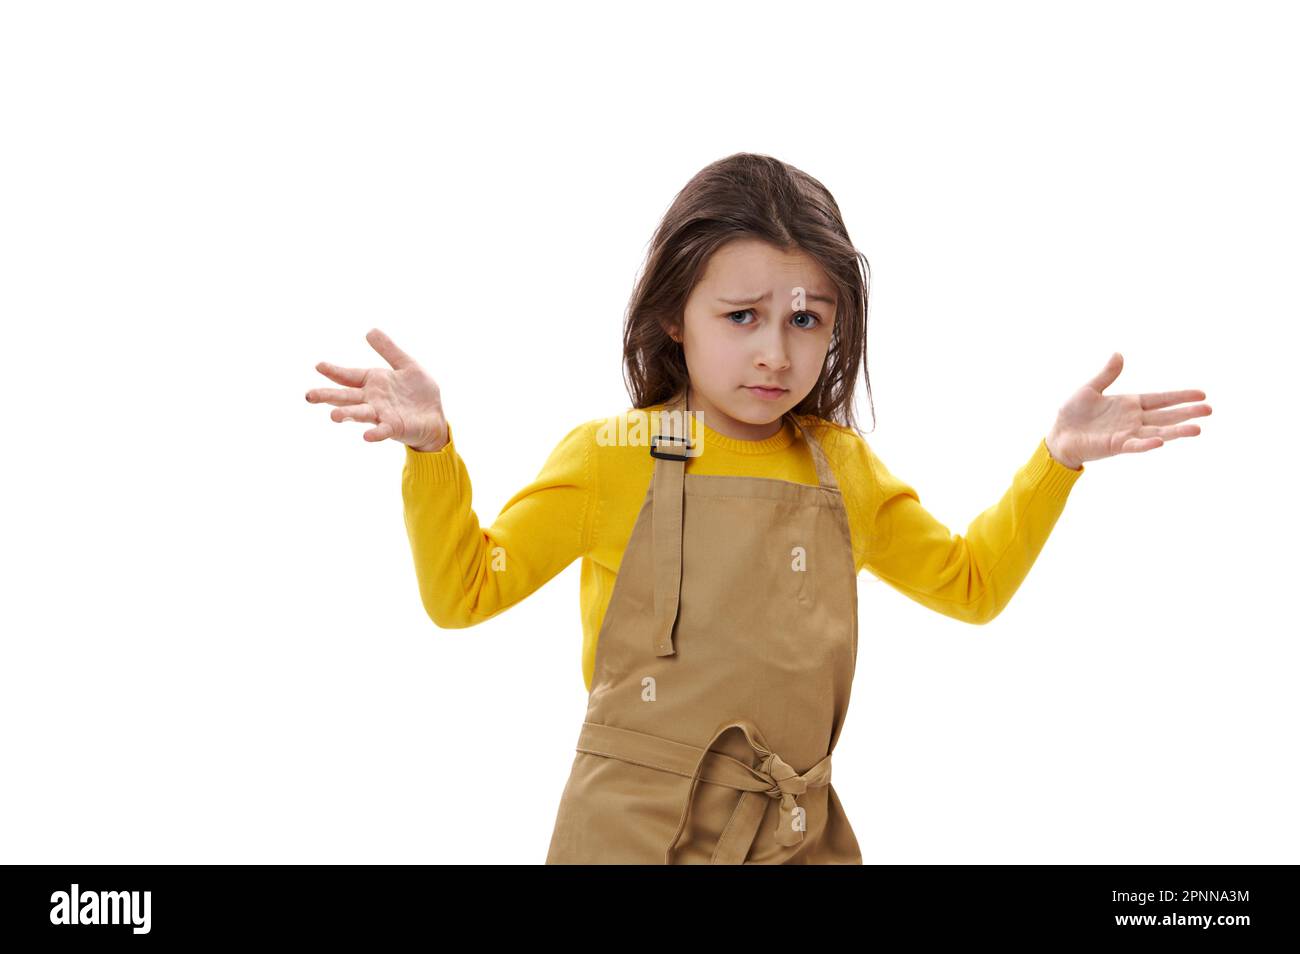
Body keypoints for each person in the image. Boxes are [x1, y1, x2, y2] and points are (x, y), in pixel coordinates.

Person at [304, 152, 1211, 863]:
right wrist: (431, 453)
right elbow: (463, 594)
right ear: (674, 317)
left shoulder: (843, 470)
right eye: (741, 316)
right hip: (633, 837)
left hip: (794, 835)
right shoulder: (610, 458)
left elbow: (969, 587)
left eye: (807, 319)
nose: (775, 353)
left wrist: (1056, 461)